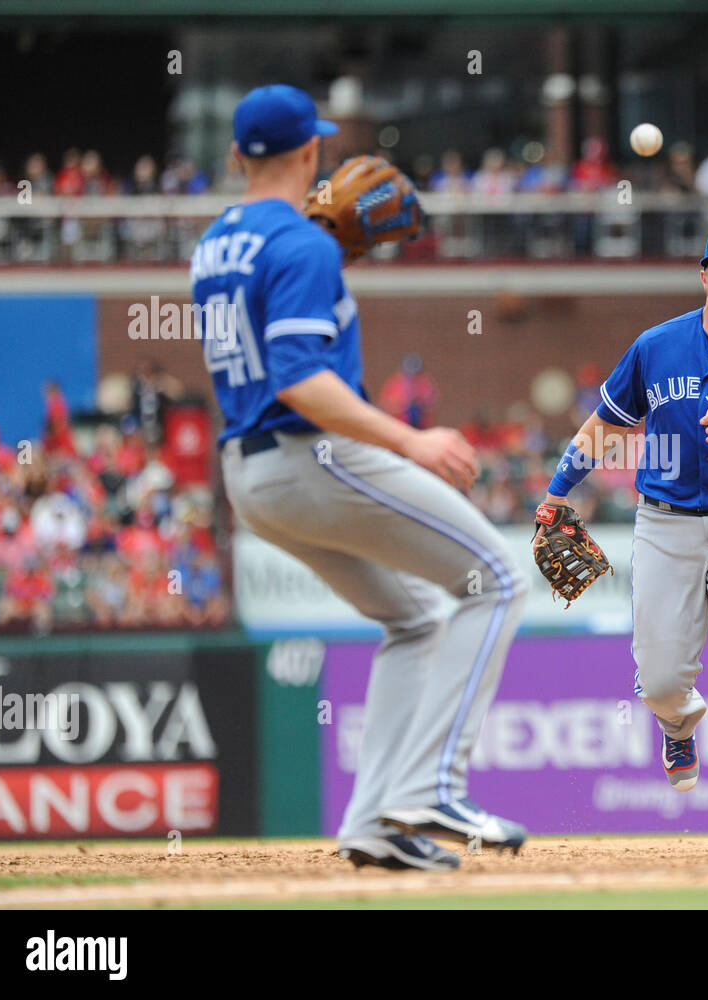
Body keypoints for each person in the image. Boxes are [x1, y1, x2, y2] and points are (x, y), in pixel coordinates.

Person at [192, 84, 529, 873]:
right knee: (498, 579)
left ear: (239, 156)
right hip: (314, 456)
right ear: (312, 151)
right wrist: (411, 441)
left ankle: (375, 821)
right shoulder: (303, 246)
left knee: (415, 620)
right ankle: (435, 784)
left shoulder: (215, 244)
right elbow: (301, 381)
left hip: (250, 479)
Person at [533, 229, 708, 850]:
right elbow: (606, 424)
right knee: (656, 681)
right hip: (663, 525)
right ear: (703, 277)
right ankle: (678, 722)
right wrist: (556, 491)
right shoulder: (656, 347)